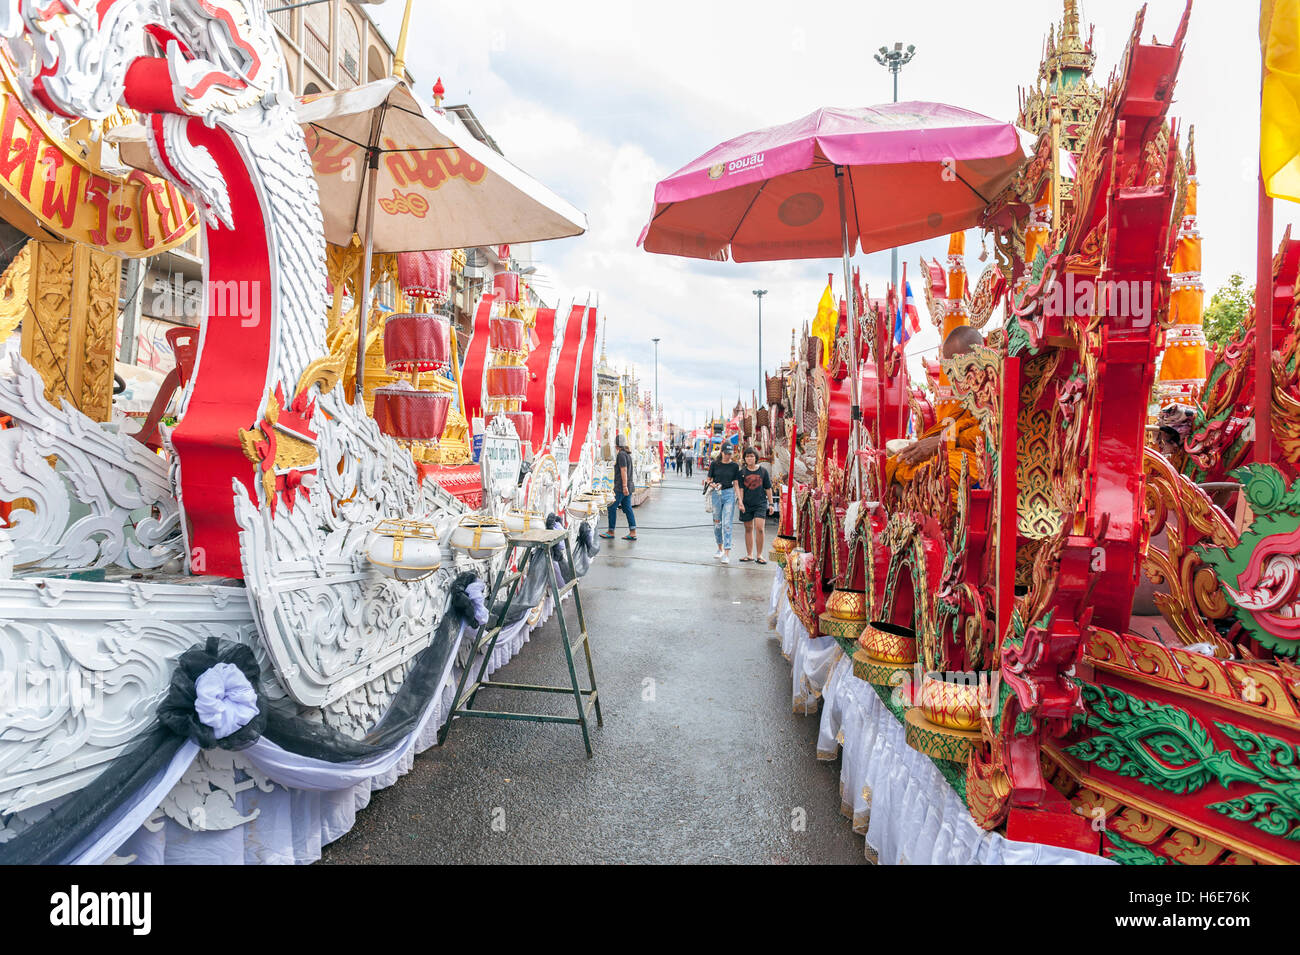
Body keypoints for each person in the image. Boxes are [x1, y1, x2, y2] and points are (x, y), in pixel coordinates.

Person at [884, 326, 985, 494]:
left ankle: (909, 494)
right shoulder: (966, 400)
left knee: (935, 473)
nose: (953, 378)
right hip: (956, 450)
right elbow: (949, 428)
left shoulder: (994, 388)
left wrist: (942, 442)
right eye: (948, 371)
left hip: (984, 460)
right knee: (899, 461)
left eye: (956, 369)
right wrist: (926, 445)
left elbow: (988, 438)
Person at [704, 443, 741, 562]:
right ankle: (719, 548)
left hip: (729, 493)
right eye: (726, 453)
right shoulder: (715, 464)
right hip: (716, 493)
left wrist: (740, 500)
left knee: (727, 523)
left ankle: (727, 552)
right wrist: (712, 484)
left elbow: (736, 483)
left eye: (730, 453)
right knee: (717, 523)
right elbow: (708, 479)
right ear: (722, 452)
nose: (728, 456)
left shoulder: (735, 466)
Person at [737, 446, 772, 564]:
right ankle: (749, 554)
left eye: (752, 456)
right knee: (748, 528)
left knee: (759, 528)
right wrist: (740, 502)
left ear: (756, 457)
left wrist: (771, 504)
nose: (749, 458)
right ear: (744, 459)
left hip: (760, 503)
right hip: (746, 503)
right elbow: (740, 489)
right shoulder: (742, 473)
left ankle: (760, 555)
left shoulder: (763, 471)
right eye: (747, 456)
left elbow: (768, 488)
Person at [601, 433, 638, 541]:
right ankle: (633, 531)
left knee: (612, 507)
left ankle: (611, 531)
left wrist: (624, 486)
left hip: (622, 487)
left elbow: (624, 470)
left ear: (616, 445)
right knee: (627, 508)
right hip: (628, 486)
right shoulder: (627, 454)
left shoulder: (621, 455)